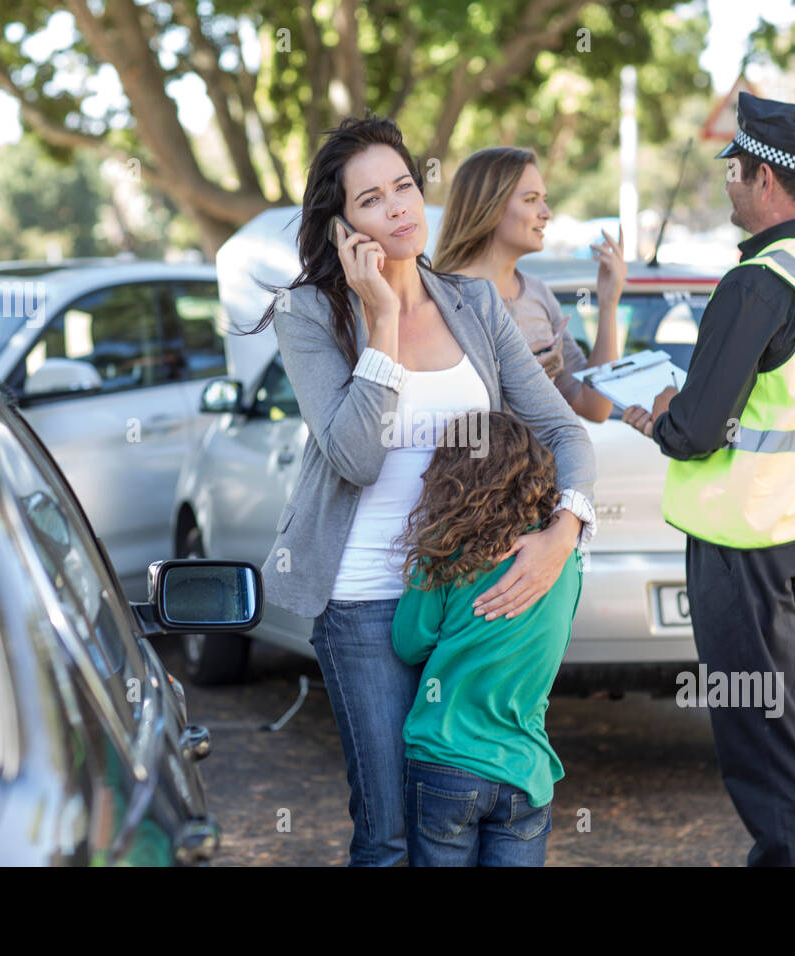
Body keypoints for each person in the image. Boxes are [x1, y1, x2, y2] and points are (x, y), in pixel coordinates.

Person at [243, 114, 596, 866]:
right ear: (342, 226)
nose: (399, 207)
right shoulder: (309, 314)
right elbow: (355, 457)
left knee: (462, 823)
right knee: (392, 835)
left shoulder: (474, 303)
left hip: (467, 596)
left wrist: (564, 532)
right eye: (371, 200)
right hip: (366, 602)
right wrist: (383, 320)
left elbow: (568, 433)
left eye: (404, 185)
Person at [621, 92, 795, 866]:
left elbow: (696, 431)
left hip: (744, 542)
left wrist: (658, 413)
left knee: (767, 744)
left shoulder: (759, 281)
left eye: (733, 168)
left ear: (764, 178)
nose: (727, 182)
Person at [391, 410, 582, 866]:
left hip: (445, 762)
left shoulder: (443, 556)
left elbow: (407, 643)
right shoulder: (563, 566)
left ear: (451, 478)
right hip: (525, 770)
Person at [433, 147, 626, 421]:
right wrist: (523, 379)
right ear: (489, 206)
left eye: (543, 200)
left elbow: (594, 406)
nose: (546, 212)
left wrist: (608, 303)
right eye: (531, 199)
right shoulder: (441, 297)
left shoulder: (538, 293)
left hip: (541, 465)